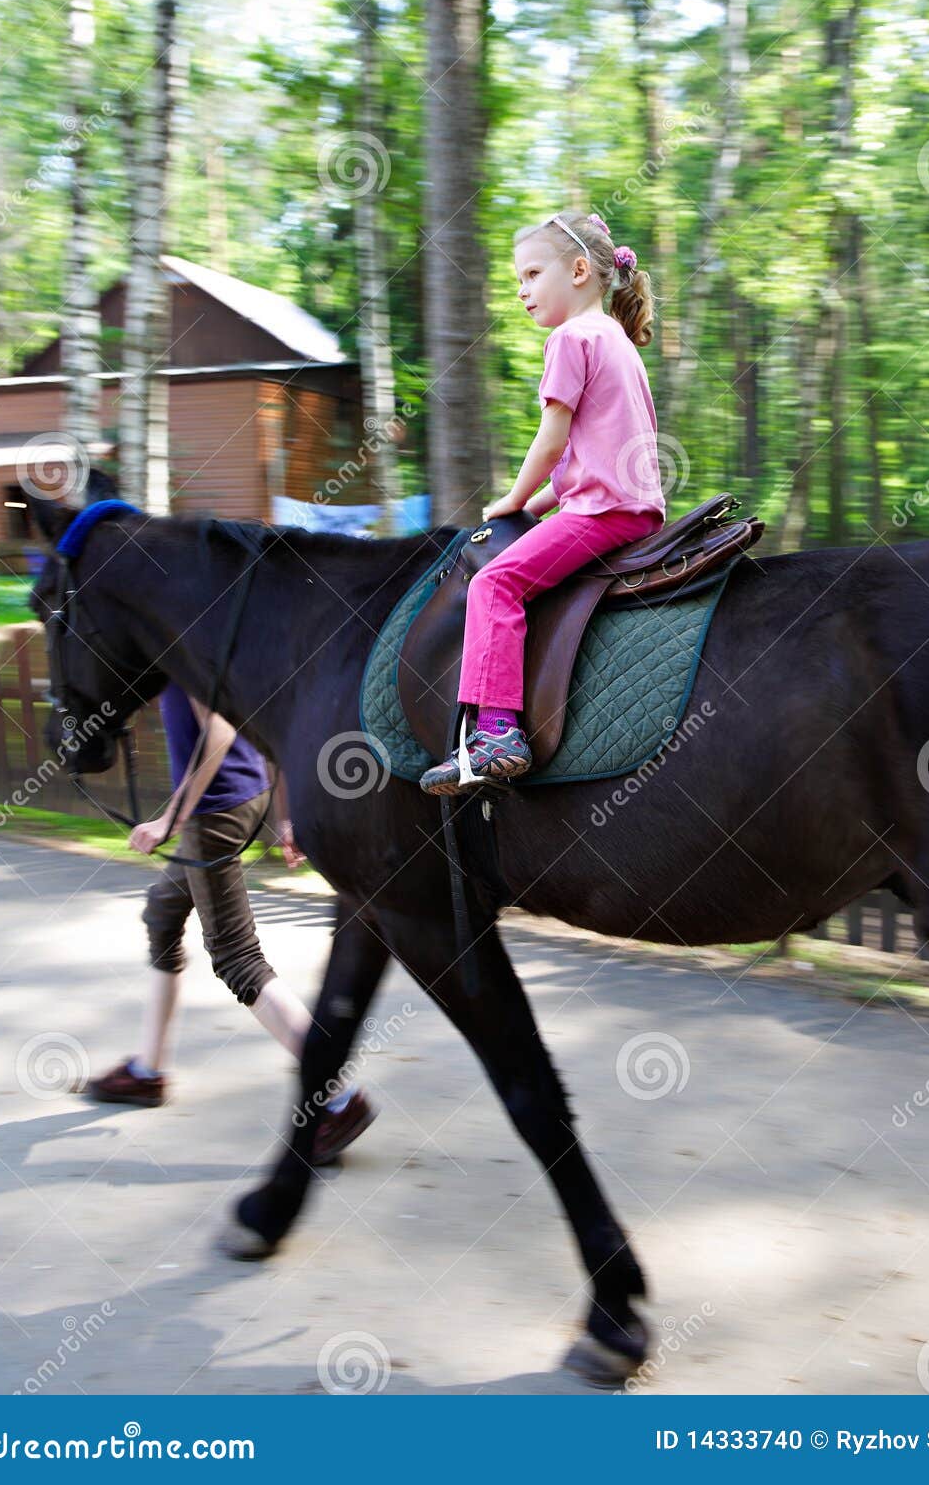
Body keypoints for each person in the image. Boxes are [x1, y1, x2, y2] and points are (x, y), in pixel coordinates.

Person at [420, 210, 666, 795]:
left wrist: (512, 497)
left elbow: (551, 441)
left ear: (579, 271)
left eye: (532, 275)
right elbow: (585, 460)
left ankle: (497, 735)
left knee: (494, 583)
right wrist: (534, 508)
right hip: (630, 508)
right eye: (519, 280)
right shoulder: (617, 341)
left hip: (600, 515)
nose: (522, 291)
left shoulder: (570, 338)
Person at [86, 683, 375, 1165]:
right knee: (163, 910)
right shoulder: (212, 640)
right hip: (243, 796)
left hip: (214, 812)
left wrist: (169, 820)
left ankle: (338, 1099)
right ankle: (147, 1071)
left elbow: (218, 731)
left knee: (238, 959)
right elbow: (265, 719)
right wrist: (284, 815)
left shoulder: (184, 643)